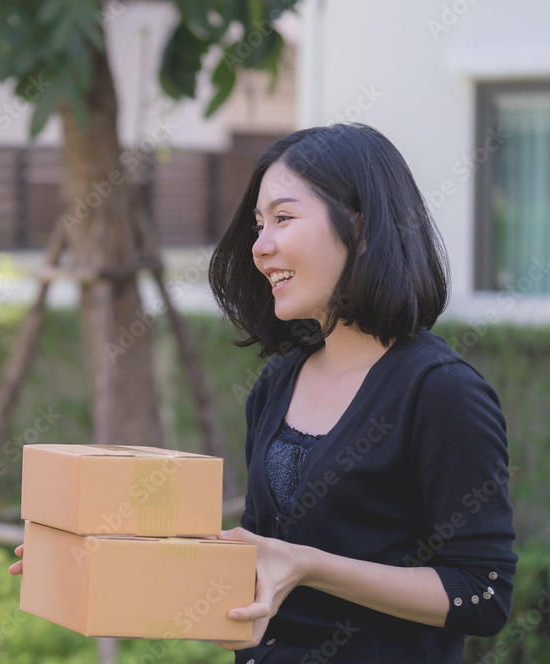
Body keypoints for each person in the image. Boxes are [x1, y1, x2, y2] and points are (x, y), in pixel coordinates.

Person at [206, 123, 517, 662]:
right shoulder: (278, 382)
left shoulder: (442, 392)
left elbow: (483, 594)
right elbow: (261, 558)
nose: (260, 247)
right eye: (258, 225)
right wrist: (101, 559)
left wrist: (312, 566)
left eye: (283, 218)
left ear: (362, 228)